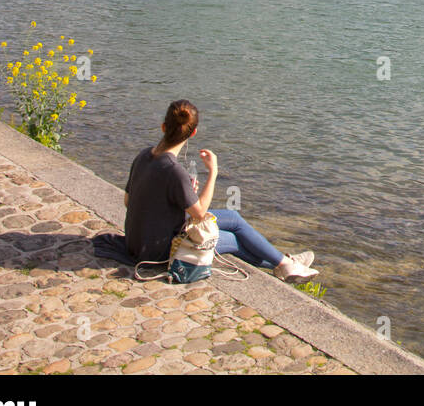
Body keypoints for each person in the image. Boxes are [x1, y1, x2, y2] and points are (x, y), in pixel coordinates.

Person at [123, 99, 319, 283]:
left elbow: (128, 201)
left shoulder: (143, 155)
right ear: (193, 133)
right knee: (234, 239)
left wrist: (177, 198)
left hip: (137, 241)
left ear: (163, 126)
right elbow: (199, 214)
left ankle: (286, 264)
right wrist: (213, 172)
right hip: (160, 251)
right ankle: (287, 264)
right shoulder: (174, 171)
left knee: (232, 218)